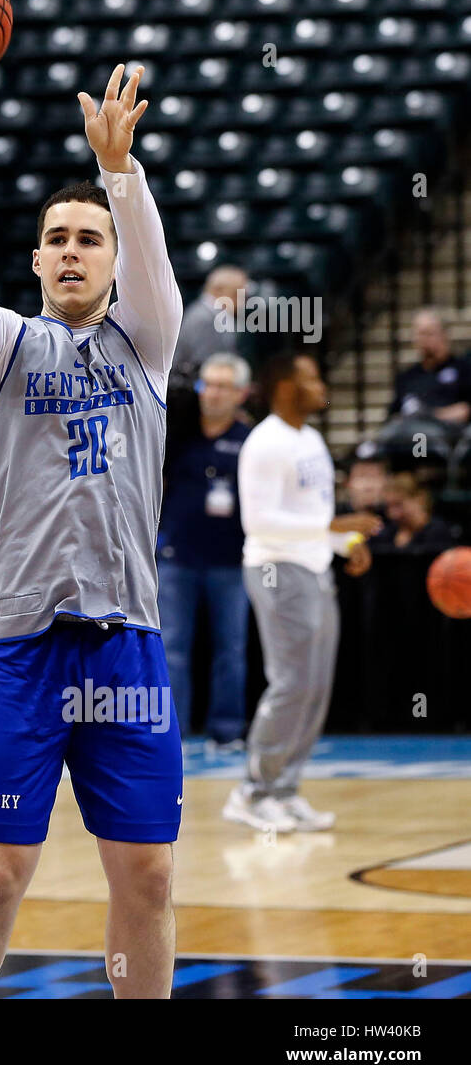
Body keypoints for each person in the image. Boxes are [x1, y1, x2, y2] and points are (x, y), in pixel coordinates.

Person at [0, 65, 183, 998]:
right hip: (19, 650)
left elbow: (154, 264)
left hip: (126, 648)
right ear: (34, 262)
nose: (72, 253)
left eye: (89, 241)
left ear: (112, 260)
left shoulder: (150, 342)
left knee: (146, 874)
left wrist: (122, 176)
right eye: (56, 241)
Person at [228, 352, 380, 834]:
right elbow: (259, 521)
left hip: (314, 568)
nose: (322, 387)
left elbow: (312, 513)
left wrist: (344, 543)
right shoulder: (265, 443)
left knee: (315, 686)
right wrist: (331, 526)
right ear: (287, 388)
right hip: (277, 569)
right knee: (291, 682)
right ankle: (253, 792)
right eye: (312, 379)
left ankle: (285, 790)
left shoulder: (311, 439)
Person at [156, 353, 251, 750]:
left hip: (232, 560)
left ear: (241, 393)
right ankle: (172, 733)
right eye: (206, 384)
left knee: (231, 648)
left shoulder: (250, 440)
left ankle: (227, 731)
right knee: (171, 647)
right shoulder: (178, 434)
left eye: (222, 386)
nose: (211, 394)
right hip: (177, 558)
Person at [388, 308, 471, 428]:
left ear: (444, 335)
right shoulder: (407, 377)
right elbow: (393, 416)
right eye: (420, 334)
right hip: (413, 438)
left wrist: (430, 415)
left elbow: (465, 410)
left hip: (450, 436)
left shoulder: (463, 369)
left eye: (429, 333)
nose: (424, 340)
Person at [171, 265, 249, 382]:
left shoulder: (213, 315)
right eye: (239, 293)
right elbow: (203, 365)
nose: (244, 299)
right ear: (222, 290)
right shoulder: (204, 318)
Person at [371, 472, 455, 555]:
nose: (393, 514)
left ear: (419, 499)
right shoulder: (386, 534)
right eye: (388, 507)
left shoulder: (438, 532)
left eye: (398, 505)